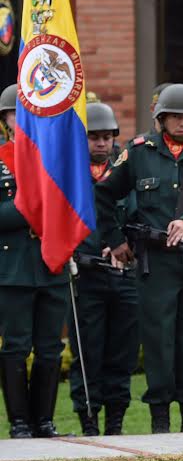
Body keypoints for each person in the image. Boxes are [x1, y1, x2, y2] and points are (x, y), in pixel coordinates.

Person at [95, 83, 183, 434]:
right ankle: (160, 419)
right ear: (161, 119)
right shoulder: (138, 152)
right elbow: (104, 194)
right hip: (156, 261)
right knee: (158, 339)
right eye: (176, 117)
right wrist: (116, 240)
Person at [0, 86, 72, 439]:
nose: (22, 120)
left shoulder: (57, 159)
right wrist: (31, 205)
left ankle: (44, 420)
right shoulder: (1, 158)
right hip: (13, 267)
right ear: (6, 120)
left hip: (52, 264)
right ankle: (19, 422)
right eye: (15, 114)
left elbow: (75, 208)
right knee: (15, 344)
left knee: (49, 346)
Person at [69, 102, 140, 436]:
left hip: (123, 275)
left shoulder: (125, 174)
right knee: (87, 353)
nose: (101, 143)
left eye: (107, 137)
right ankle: (88, 420)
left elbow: (139, 217)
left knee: (122, 354)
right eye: (93, 137)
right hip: (84, 275)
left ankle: (115, 422)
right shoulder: (68, 176)